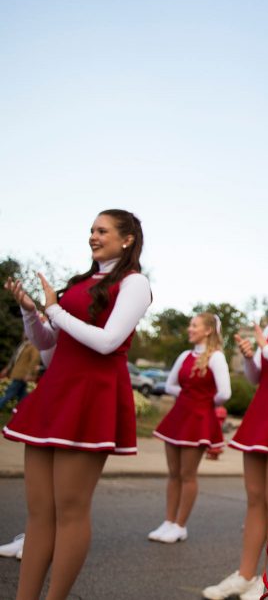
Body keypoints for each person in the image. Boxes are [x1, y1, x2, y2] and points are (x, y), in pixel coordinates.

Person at [3, 209, 150, 600]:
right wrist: (32, 313)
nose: (93, 236)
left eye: (102, 230)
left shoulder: (136, 284)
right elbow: (50, 348)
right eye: (91, 230)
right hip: (55, 393)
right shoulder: (79, 283)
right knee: (38, 513)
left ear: (127, 239)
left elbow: (106, 342)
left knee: (70, 510)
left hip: (91, 397)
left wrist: (54, 310)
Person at [200, 271, 268, 600]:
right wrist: (250, 357)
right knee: (253, 501)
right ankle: (245, 574)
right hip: (262, 416)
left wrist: (265, 348)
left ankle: (267, 577)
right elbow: (259, 376)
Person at [149, 313, 231, 544]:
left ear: (207, 330)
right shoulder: (185, 355)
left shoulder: (216, 358)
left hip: (198, 421)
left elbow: (225, 393)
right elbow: (171, 385)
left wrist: (203, 402)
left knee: (187, 475)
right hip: (178, 416)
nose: (189, 329)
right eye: (190, 325)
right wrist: (187, 396)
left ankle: (180, 525)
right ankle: (168, 521)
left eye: (194, 325)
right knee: (173, 473)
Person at [0, 333, 40, 411]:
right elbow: (15, 358)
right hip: (18, 373)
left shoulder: (33, 346)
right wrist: (7, 369)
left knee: (9, 392)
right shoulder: (24, 345)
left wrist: (30, 374)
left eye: (25, 333)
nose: (23, 334)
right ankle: (22, 411)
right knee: (22, 395)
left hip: (22, 375)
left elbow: (34, 361)